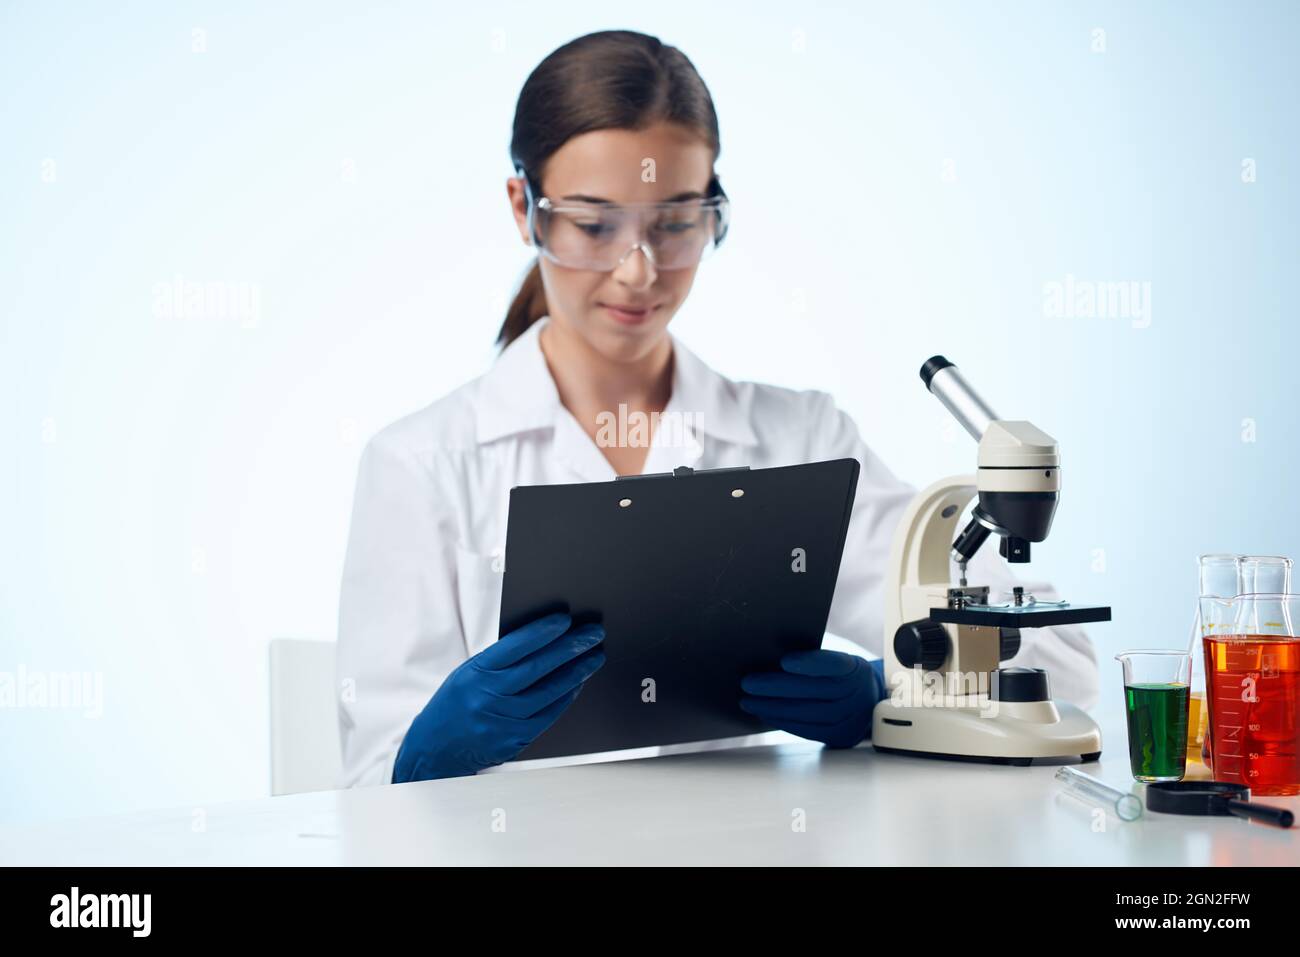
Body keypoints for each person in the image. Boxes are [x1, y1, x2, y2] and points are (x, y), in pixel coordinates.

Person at [336, 29, 1099, 788]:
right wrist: (425, 758)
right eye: (595, 225)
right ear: (525, 209)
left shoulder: (800, 440)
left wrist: (893, 692)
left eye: (672, 223)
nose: (638, 271)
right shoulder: (420, 464)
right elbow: (369, 788)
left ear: (713, 211)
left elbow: (1063, 666)